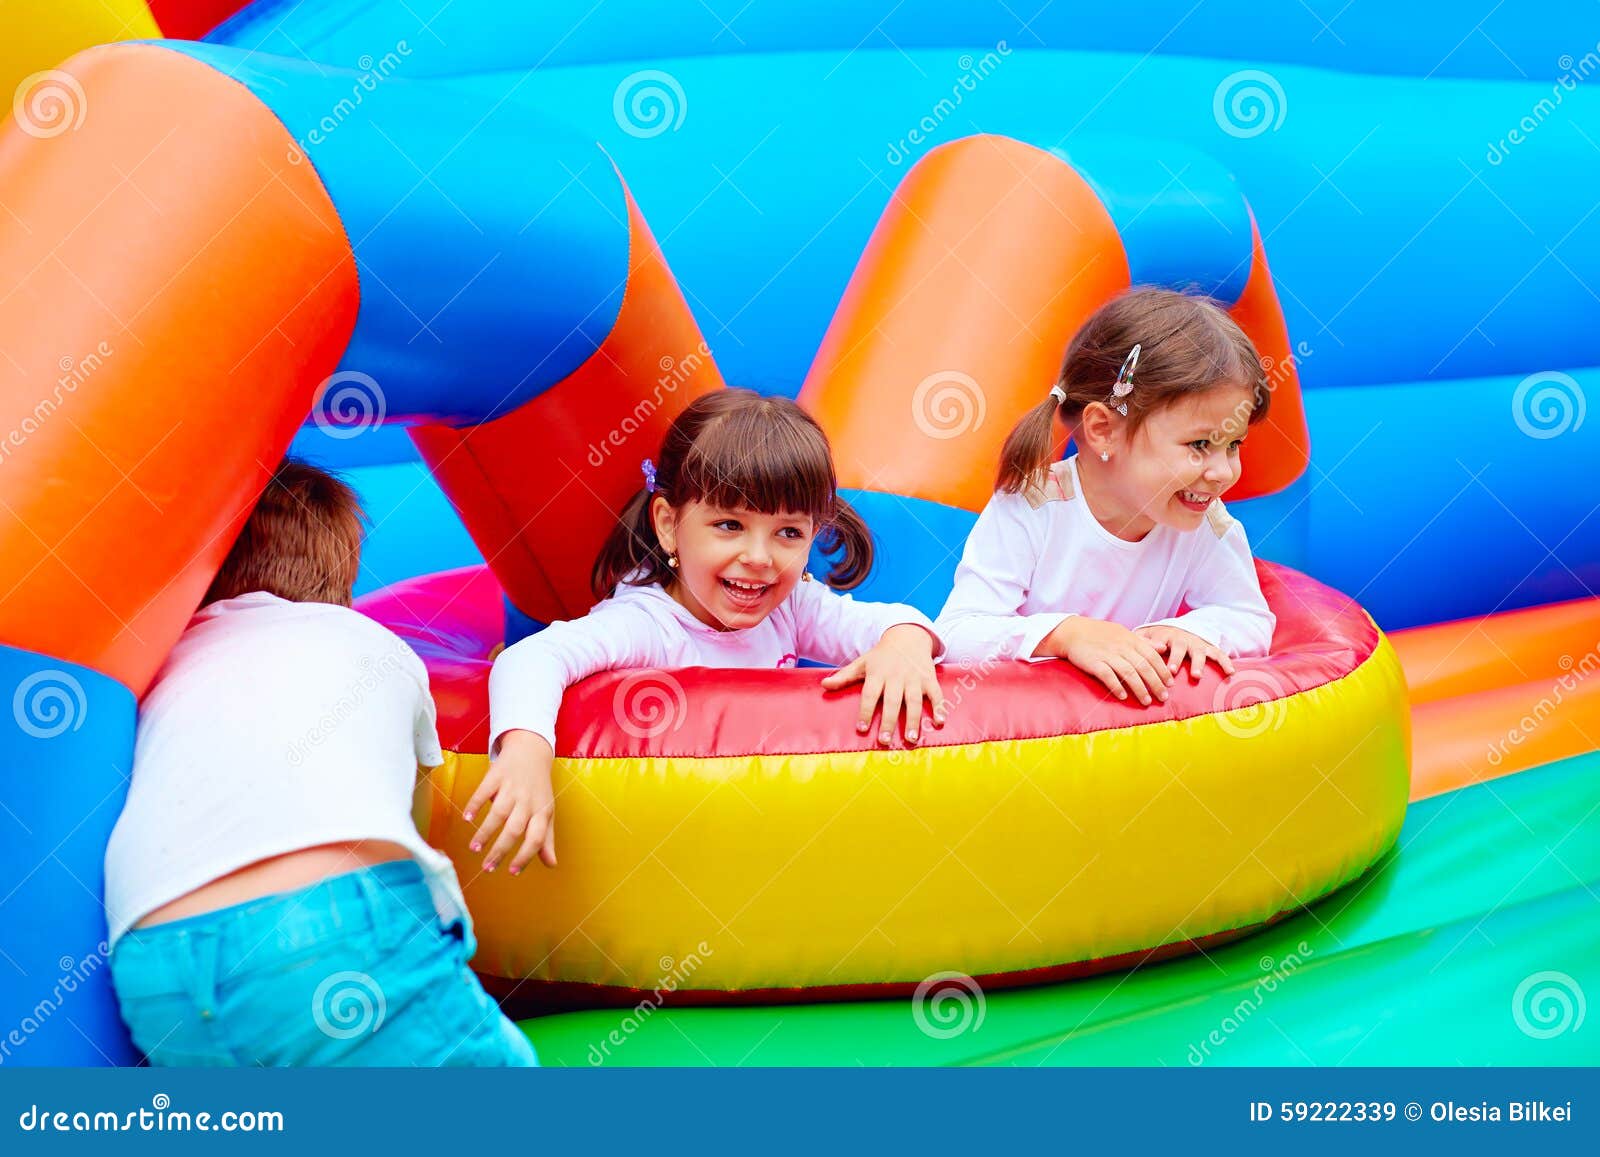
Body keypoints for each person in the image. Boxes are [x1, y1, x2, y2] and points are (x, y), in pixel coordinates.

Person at [105, 459, 536, 1066]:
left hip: (154, 967)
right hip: (326, 934)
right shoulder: (377, 646)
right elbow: (412, 806)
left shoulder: (153, 667)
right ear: (343, 583)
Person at [483, 390, 946, 865]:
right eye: (729, 525)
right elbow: (533, 657)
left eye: (789, 532)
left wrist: (905, 644)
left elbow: (892, 620)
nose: (759, 558)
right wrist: (525, 752)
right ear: (668, 524)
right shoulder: (649, 624)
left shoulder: (794, 606)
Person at [936, 288, 1276, 703]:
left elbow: (1250, 617)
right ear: (1103, 430)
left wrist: (1191, 630)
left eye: (1234, 444)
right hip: (1027, 729)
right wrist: (1067, 634)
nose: (1223, 473)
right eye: (1200, 445)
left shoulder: (1204, 523)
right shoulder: (1033, 507)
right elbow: (957, 634)